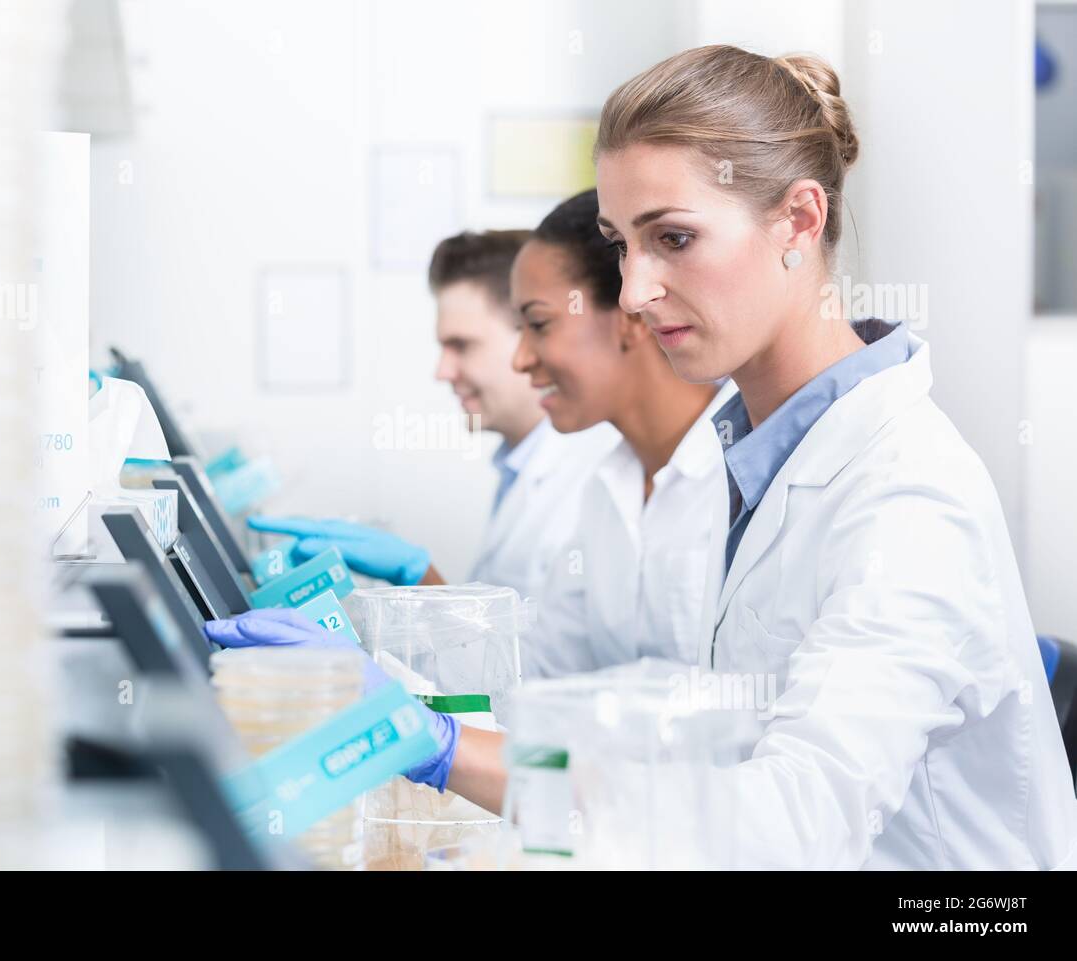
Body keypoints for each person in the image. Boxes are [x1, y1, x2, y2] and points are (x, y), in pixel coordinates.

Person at [209, 45, 1077, 870]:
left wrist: (435, 744)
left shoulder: (907, 497)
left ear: (799, 221)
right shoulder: (759, 455)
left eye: (674, 238)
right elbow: (674, 744)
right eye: (623, 243)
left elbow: (789, 827)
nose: (632, 291)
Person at [249, 230, 618, 597]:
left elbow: (527, 652)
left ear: (531, 335)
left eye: (461, 345)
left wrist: (420, 575)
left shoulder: (586, 480)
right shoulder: (520, 467)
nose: (442, 371)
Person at [509, 189, 736, 678]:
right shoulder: (606, 491)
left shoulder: (743, 474)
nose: (520, 359)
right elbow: (539, 675)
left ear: (631, 317)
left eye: (539, 324)